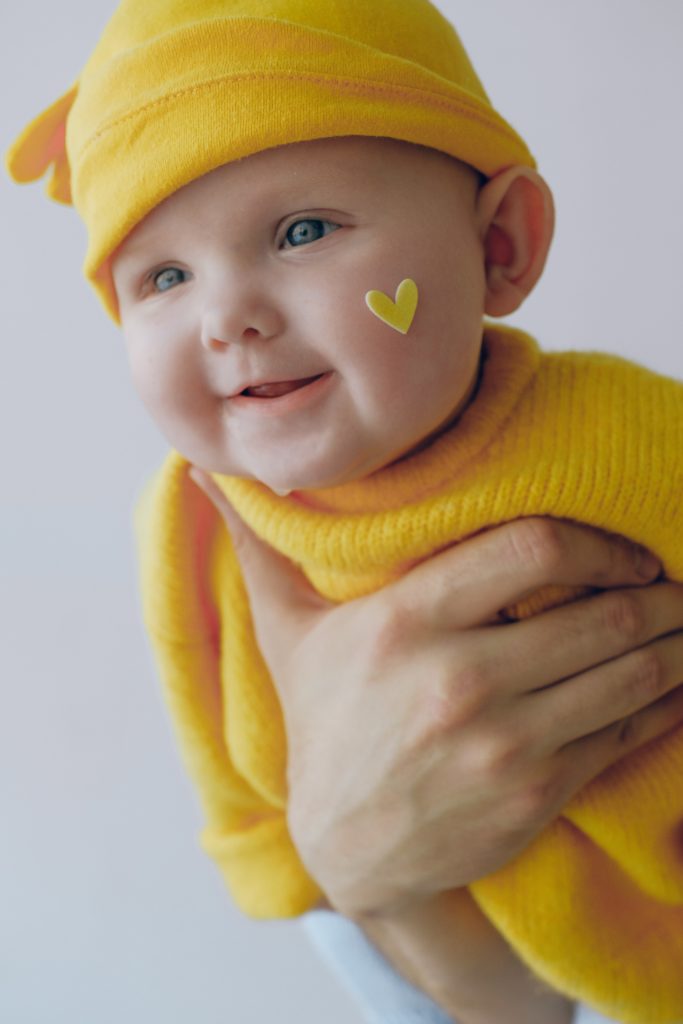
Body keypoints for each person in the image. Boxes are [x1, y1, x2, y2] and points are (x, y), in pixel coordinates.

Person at [5, 1, 683, 1022]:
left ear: (501, 244)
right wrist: (290, 860)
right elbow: (211, 720)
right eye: (164, 276)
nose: (226, 314)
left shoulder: (618, 436)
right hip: (490, 977)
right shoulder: (195, 521)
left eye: (302, 230)